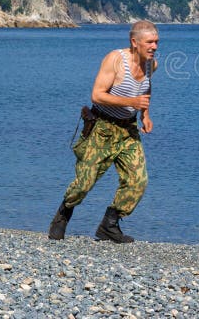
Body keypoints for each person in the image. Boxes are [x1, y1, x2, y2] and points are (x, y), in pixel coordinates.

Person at [48, 20, 159, 243]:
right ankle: (63, 214)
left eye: (156, 41)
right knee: (84, 183)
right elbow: (97, 95)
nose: (154, 46)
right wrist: (132, 101)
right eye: (150, 42)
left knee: (138, 181)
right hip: (102, 129)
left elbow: (145, 89)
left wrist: (145, 115)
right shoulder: (115, 60)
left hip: (128, 130)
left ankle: (109, 224)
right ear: (134, 42)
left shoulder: (151, 65)